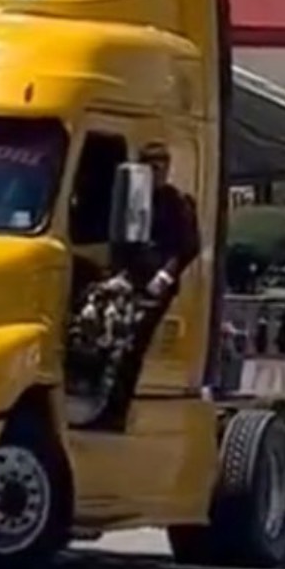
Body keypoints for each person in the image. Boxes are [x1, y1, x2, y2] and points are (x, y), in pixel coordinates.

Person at [96, 142, 201, 429]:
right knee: (105, 339)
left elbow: (188, 246)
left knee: (131, 346)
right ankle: (100, 403)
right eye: (152, 166)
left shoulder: (176, 202)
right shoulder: (131, 198)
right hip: (129, 278)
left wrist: (165, 277)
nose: (158, 172)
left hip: (156, 286)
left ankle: (115, 413)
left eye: (162, 166)